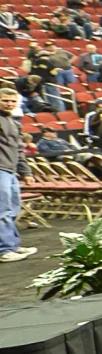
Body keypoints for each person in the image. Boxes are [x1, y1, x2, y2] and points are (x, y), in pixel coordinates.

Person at [0, 86, 35, 264]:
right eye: (5, 100)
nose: (9, 104)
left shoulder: (13, 121)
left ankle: (12, 245)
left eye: (13, 101)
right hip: (1, 169)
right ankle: (4, 249)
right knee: (2, 210)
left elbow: (19, 150)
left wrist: (26, 172)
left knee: (13, 209)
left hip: (11, 170)